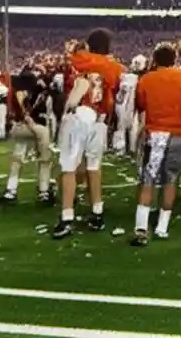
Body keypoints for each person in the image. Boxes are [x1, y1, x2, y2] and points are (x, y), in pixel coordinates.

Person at [52, 29, 124, 239]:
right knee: (94, 167)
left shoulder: (77, 59)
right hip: (99, 120)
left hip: (77, 116)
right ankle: (97, 213)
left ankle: (67, 217)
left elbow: (66, 79)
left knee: (68, 168)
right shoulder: (113, 67)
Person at [131, 42, 181, 247]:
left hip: (155, 134)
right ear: (174, 59)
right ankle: (162, 227)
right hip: (180, 135)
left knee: (147, 179)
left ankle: (141, 227)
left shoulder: (146, 80)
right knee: (171, 180)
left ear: (154, 60)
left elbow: (141, 108)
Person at [1, 69, 55, 204]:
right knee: (44, 160)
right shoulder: (42, 93)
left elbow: (20, 113)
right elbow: (45, 113)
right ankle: (44, 191)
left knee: (17, 159)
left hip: (22, 127)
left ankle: (11, 190)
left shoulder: (16, 93)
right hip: (39, 128)